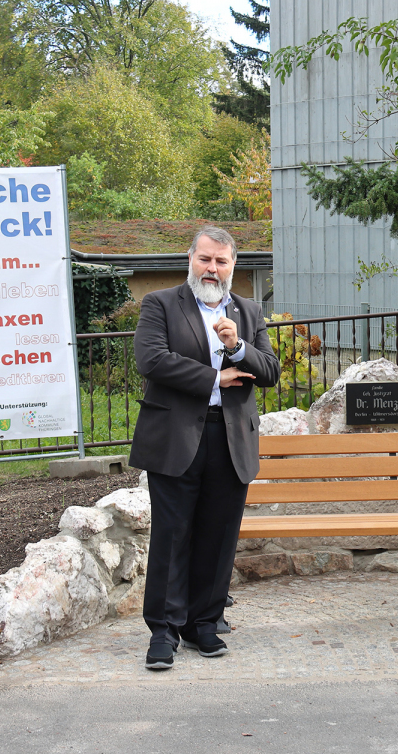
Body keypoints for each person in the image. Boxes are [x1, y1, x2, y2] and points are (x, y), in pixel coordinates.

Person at [129, 226, 280, 669]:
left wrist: (236, 348)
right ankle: (163, 631)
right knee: (173, 535)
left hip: (231, 438)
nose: (212, 269)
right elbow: (151, 359)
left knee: (218, 536)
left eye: (222, 261)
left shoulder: (247, 311)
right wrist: (215, 378)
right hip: (176, 437)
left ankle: (204, 624)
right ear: (190, 259)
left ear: (233, 266)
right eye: (205, 259)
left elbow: (269, 371)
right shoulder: (160, 304)